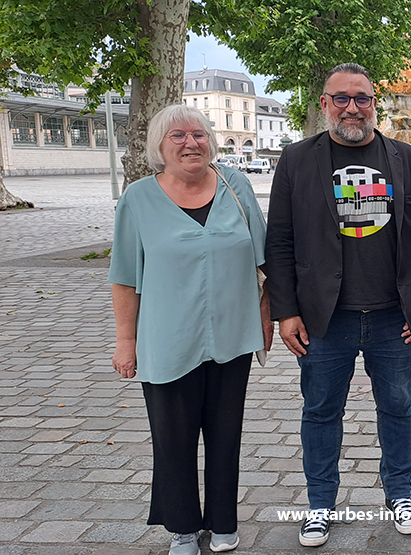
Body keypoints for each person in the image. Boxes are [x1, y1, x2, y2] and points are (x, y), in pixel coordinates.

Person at [265, 62, 411, 547]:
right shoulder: (297, 160)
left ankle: (400, 494)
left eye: (361, 98)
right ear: (324, 104)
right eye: (340, 97)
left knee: (399, 407)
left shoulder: (408, 160)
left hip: (393, 317)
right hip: (325, 318)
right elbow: (278, 240)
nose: (351, 107)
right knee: (321, 411)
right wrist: (285, 311)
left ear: (374, 104)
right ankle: (320, 504)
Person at [109, 104, 272, 555]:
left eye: (198, 135)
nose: (189, 143)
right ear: (159, 146)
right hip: (166, 338)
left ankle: (223, 522)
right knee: (173, 438)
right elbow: (124, 275)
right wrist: (126, 341)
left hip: (232, 335)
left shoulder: (235, 186)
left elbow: (265, 259)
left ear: (211, 142)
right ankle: (182, 528)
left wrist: (268, 314)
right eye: (177, 136)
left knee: (225, 433)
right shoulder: (139, 199)